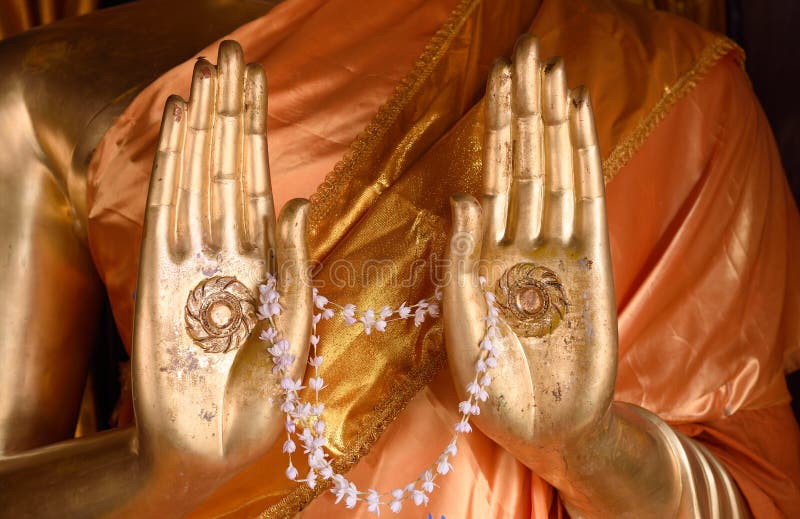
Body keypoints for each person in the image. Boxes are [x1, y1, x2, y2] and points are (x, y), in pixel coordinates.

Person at [0, 0, 798, 517]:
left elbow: (764, 497)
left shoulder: (667, 90)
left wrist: (590, 449)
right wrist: (155, 474)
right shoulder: (45, 93)